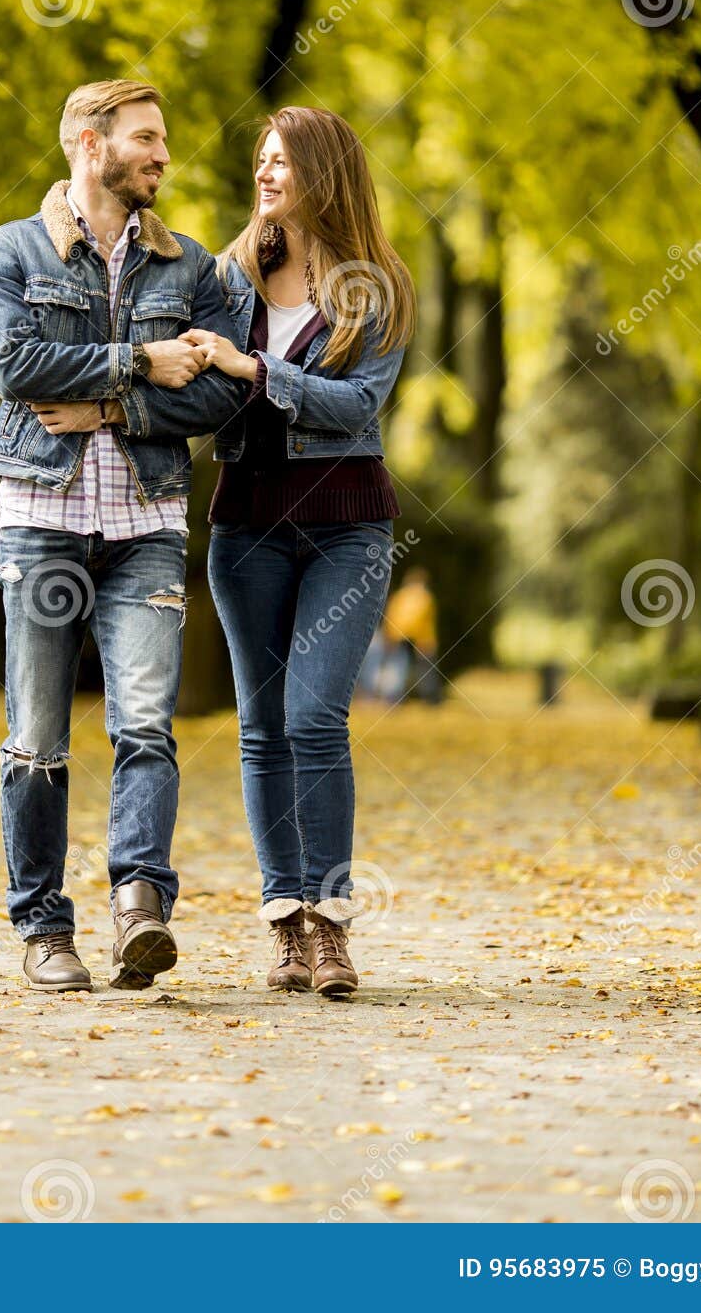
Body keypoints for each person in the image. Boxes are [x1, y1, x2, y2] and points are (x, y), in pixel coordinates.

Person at [0, 80, 244, 992]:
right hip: (42, 524)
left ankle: (138, 908)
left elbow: (217, 392)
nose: (164, 155)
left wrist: (98, 403)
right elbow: (13, 365)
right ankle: (45, 930)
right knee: (37, 739)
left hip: (147, 527)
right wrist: (138, 362)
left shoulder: (193, 270)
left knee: (145, 728)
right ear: (92, 146)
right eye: (147, 139)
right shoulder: (9, 250)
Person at [180, 106, 416, 998]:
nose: (265, 173)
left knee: (314, 715)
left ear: (324, 170)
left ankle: (331, 923)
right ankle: (283, 922)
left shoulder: (376, 285)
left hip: (345, 523)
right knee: (260, 725)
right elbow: (187, 378)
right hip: (245, 524)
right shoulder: (230, 274)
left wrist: (253, 372)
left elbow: (356, 407)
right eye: (260, 159)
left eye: (282, 160)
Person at [377, 566, 442, 705]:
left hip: (415, 639)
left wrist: (391, 635)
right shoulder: (416, 597)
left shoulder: (417, 597)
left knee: (417, 670)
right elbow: (394, 616)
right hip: (407, 638)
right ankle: (393, 696)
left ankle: (429, 698)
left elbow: (420, 620)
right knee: (399, 667)